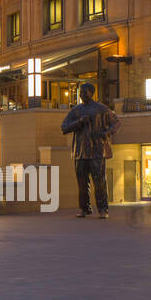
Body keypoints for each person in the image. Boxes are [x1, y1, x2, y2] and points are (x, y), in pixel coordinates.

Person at [60, 82, 116, 218]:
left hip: (97, 151)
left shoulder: (102, 109)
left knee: (99, 182)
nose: (81, 95)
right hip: (80, 152)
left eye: (84, 92)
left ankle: (103, 209)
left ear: (92, 93)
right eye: (80, 92)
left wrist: (107, 133)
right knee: (82, 184)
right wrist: (78, 122)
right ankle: (84, 208)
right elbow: (64, 127)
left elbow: (116, 123)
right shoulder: (76, 111)